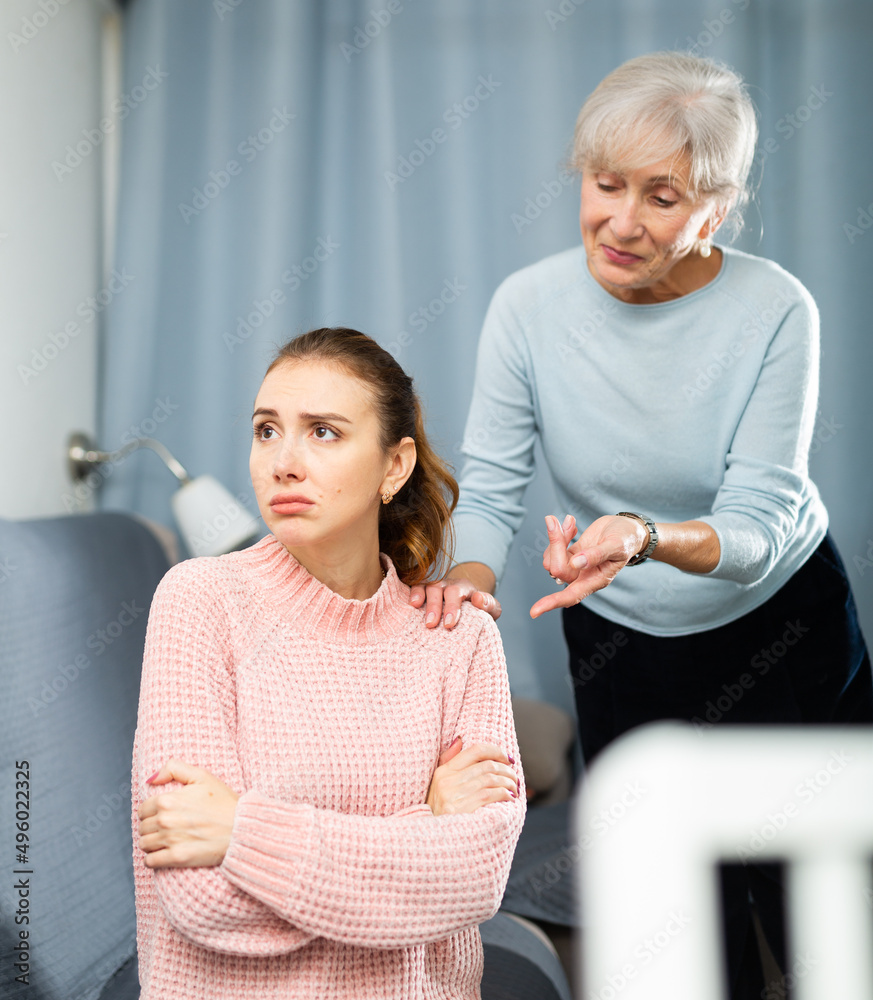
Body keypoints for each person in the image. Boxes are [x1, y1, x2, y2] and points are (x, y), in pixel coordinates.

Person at [410, 51, 872, 998]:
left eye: (660, 197)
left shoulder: (775, 309)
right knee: (677, 930)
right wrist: (467, 596)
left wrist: (643, 534)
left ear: (717, 205)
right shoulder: (528, 307)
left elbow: (750, 530)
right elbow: (492, 489)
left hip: (781, 632)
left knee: (822, 920)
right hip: (619, 637)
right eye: (603, 183)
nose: (620, 221)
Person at [132, 328, 525, 1000]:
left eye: (323, 432)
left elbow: (477, 875)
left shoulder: (459, 637)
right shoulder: (199, 601)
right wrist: (423, 825)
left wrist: (241, 832)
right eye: (265, 431)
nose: (282, 462)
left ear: (393, 467)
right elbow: (202, 900)